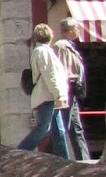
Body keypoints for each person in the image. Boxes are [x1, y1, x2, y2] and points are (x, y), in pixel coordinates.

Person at [18, 23, 72, 158]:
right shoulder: (44, 52)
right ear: (50, 36)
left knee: (58, 130)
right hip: (48, 97)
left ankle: (64, 159)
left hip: (47, 96)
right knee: (43, 128)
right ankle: (20, 151)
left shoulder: (39, 52)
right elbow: (51, 75)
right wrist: (59, 94)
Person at [53, 18, 91, 161]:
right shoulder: (61, 46)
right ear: (69, 31)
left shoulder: (69, 46)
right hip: (67, 89)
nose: (79, 30)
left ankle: (84, 160)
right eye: (76, 28)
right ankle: (55, 156)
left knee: (76, 128)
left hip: (72, 90)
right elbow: (60, 69)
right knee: (64, 125)